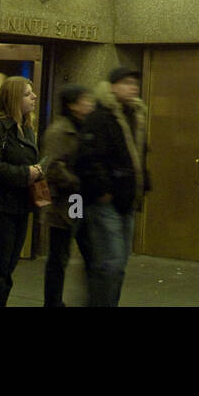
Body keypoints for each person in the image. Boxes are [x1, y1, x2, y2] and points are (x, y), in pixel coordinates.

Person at [77, 66, 149, 307]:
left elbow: (138, 156)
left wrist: (142, 185)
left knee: (118, 264)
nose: (133, 87)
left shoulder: (135, 117)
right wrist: (103, 191)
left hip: (127, 199)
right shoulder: (100, 117)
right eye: (127, 82)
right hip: (105, 200)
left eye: (135, 83)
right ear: (113, 86)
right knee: (111, 262)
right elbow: (88, 157)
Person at [0, 75, 42, 305]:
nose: (34, 96)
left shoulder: (26, 128)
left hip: (21, 206)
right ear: (13, 99)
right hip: (1, 208)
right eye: (27, 94)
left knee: (8, 268)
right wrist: (26, 173)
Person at [42, 84, 96, 307]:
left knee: (90, 253)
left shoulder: (84, 128)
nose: (89, 104)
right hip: (63, 202)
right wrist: (77, 182)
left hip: (80, 200)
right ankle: (52, 302)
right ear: (72, 105)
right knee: (59, 257)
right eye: (85, 100)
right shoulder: (60, 130)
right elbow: (52, 166)